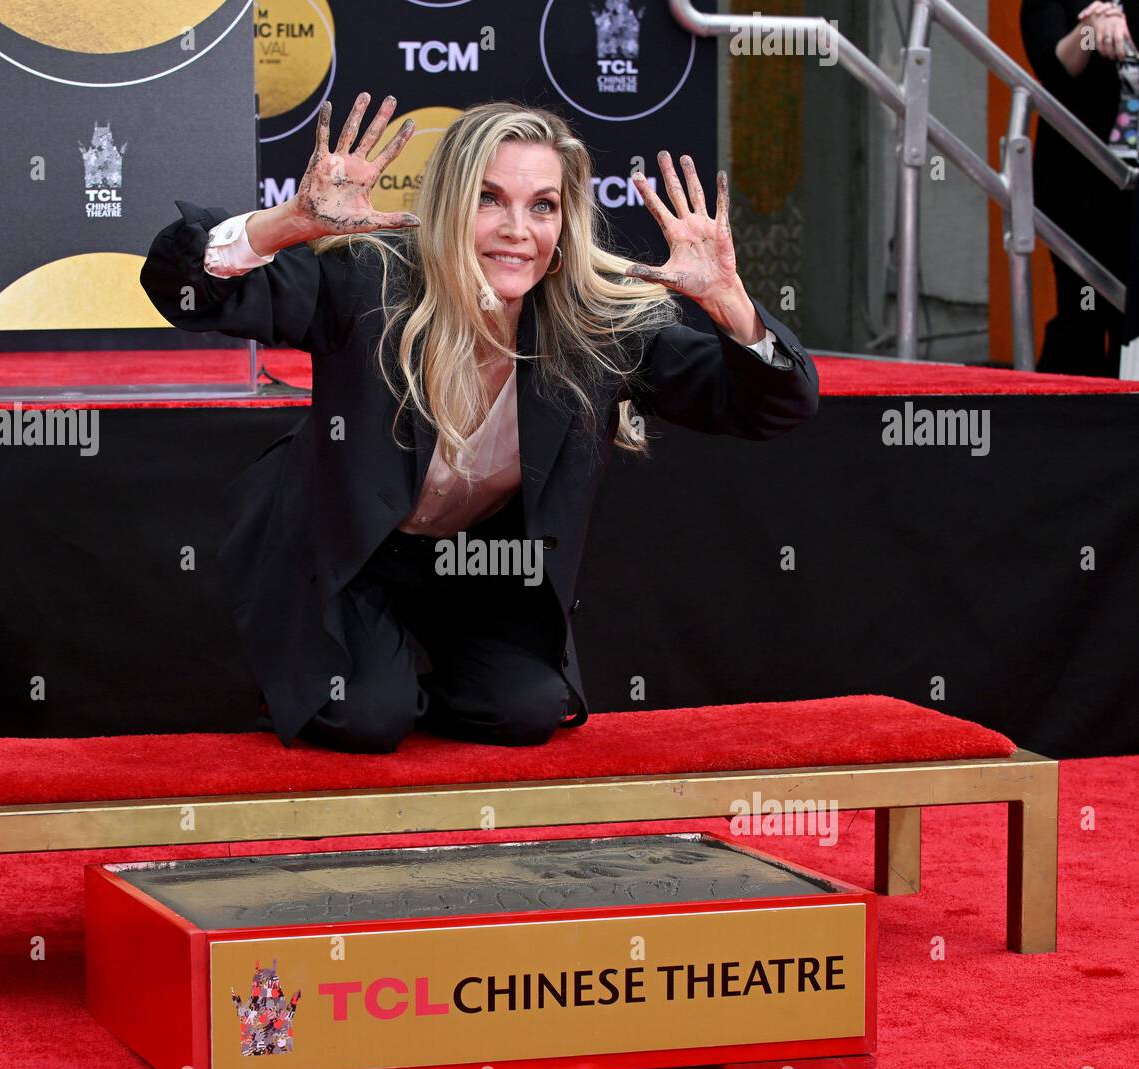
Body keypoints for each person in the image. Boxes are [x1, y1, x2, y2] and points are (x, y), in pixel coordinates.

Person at [140, 94, 819, 753]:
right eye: (488, 199)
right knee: (367, 721)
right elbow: (184, 289)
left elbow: (771, 405)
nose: (516, 229)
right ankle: (371, 684)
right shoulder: (368, 282)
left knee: (523, 713)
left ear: (566, 221)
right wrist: (289, 223)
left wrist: (728, 300)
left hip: (477, 562)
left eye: (542, 206)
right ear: (448, 205)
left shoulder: (599, 329)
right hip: (343, 547)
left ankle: (403, 682)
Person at [1022, 1, 1139, 375]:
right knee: (1082, 309)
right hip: (1079, 179)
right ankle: (1067, 421)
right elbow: (1055, 66)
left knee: (1130, 319)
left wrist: (1120, 22)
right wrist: (1092, 26)